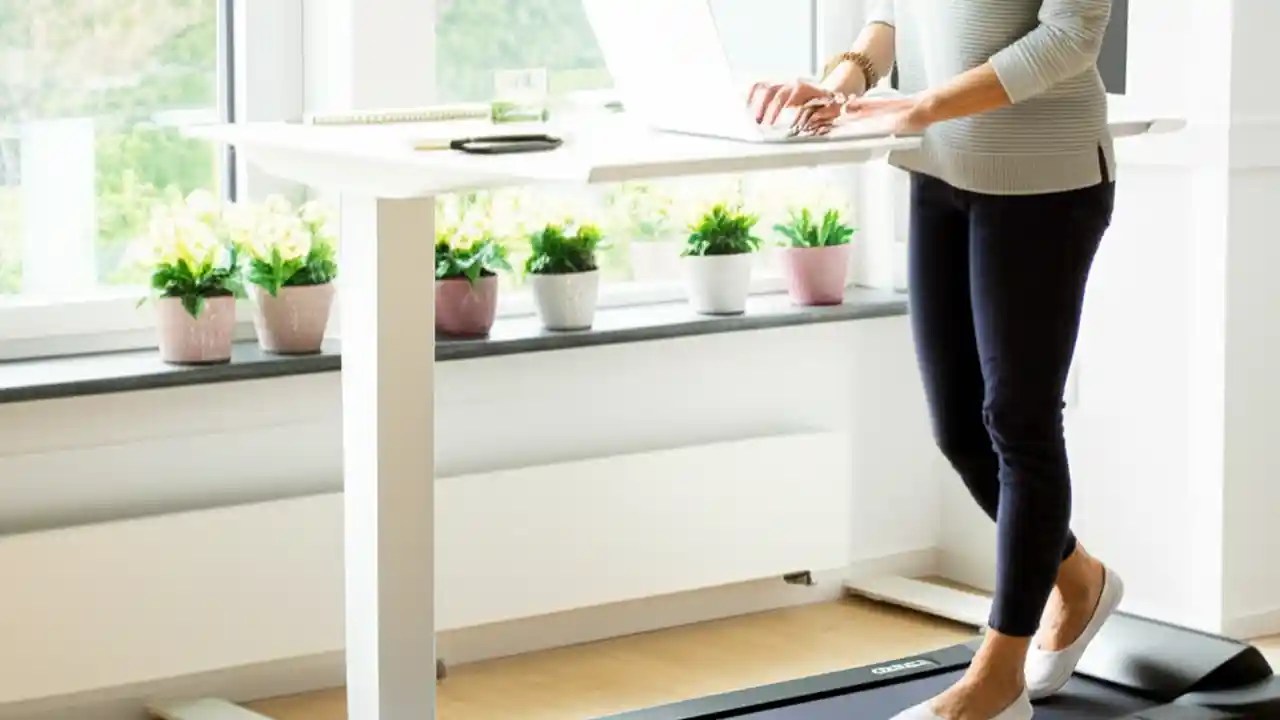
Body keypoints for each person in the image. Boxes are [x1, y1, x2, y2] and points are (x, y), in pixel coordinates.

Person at [749, 2, 1122, 719]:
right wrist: (843, 81)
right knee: (959, 427)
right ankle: (1078, 579)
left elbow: (1072, 36)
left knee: (1020, 423)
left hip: (1044, 182)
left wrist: (921, 104)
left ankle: (1000, 672)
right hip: (938, 168)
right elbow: (891, 16)